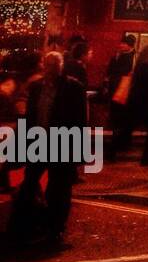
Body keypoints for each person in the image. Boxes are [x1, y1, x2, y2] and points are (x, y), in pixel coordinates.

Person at [8, 51, 88, 245]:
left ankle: (56, 229)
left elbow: (80, 121)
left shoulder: (73, 88)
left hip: (61, 142)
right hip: (39, 142)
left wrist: (77, 150)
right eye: (49, 65)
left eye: (55, 66)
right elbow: (30, 118)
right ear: (44, 66)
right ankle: (22, 226)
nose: (51, 69)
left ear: (61, 67)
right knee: (29, 183)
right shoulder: (36, 87)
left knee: (58, 189)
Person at [105, 34, 136, 159]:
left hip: (124, 92)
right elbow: (110, 71)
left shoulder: (132, 58)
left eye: (123, 43)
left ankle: (118, 144)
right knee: (117, 119)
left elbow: (121, 72)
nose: (120, 45)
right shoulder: (118, 56)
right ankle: (118, 143)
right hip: (116, 91)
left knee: (120, 119)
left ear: (129, 45)